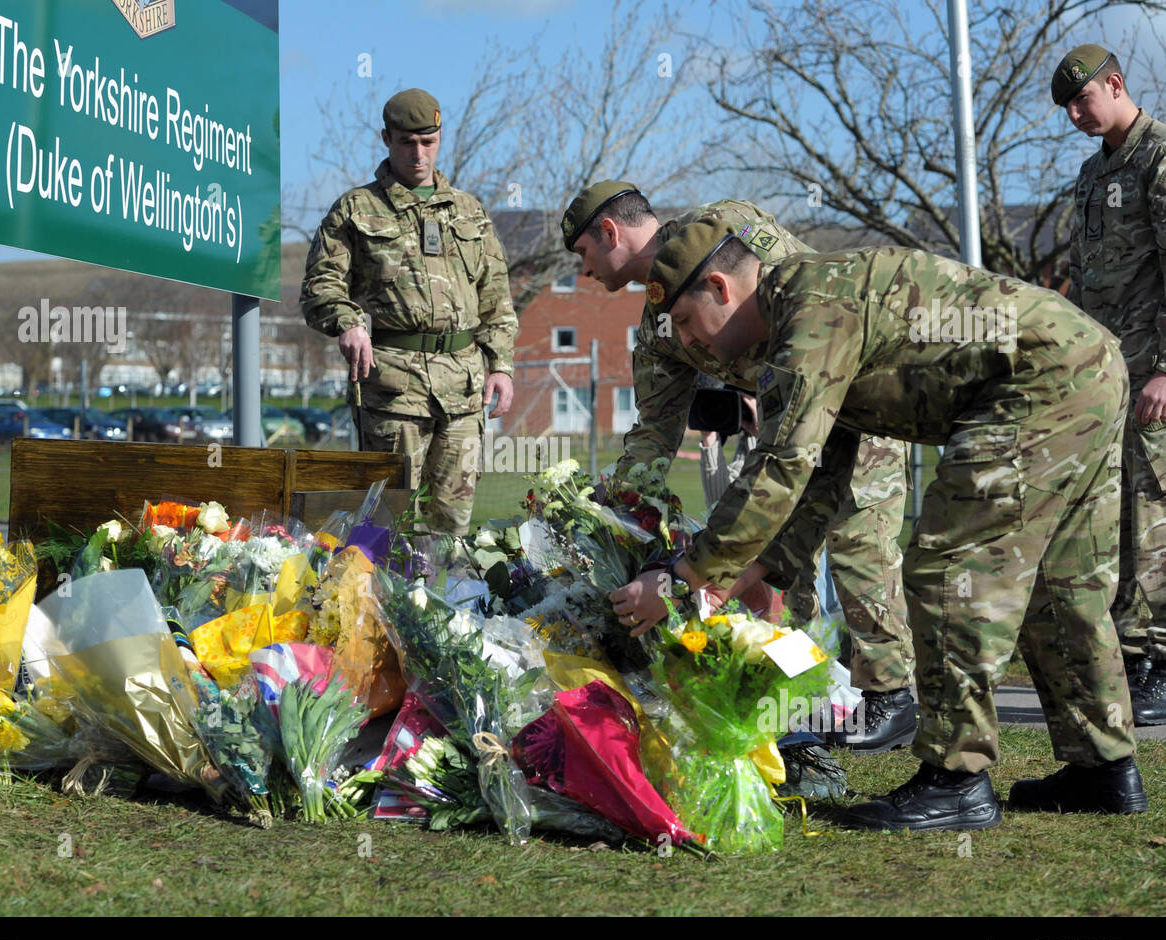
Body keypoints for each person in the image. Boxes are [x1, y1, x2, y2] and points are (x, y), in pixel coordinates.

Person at [609, 219, 1147, 830]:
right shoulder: (801, 318)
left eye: (684, 322)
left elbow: (782, 463)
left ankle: (957, 779)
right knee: (1062, 581)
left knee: (948, 568)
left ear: (720, 287)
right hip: (1083, 363)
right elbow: (822, 469)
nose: (690, 343)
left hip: (1037, 382)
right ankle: (1103, 768)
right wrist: (764, 569)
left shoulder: (812, 308)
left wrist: (686, 576)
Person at [561, 181, 916, 753]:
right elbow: (654, 430)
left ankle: (891, 697)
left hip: (848, 395)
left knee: (859, 539)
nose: (583, 271)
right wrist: (617, 511)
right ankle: (809, 689)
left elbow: (807, 300)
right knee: (784, 561)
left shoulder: (725, 227)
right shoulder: (656, 328)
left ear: (610, 232)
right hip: (785, 430)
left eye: (582, 254)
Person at [300, 89, 518, 534]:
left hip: (463, 389)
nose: (419, 154)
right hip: (393, 392)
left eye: (429, 141)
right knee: (389, 527)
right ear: (386, 138)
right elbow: (319, 287)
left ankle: (443, 603)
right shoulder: (356, 210)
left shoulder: (469, 212)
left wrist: (502, 364)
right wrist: (348, 322)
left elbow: (496, 297)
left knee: (450, 530)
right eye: (406, 142)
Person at [1055, 45, 1166, 725]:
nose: (1073, 114)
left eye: (1082, 100)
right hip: (1104, 372)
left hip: (1151, 369)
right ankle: (1127, 651)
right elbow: (1078, 274)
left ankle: (1154, 655)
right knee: (1117, 508)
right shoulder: (1092, 176)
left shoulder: (1158, 158)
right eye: (1066, 107)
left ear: (1116, 84)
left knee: (1153, 505)